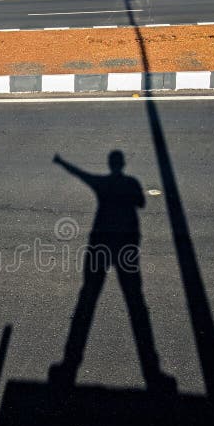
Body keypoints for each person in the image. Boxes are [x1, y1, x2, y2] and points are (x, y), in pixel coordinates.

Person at [50, 151, 176, 393]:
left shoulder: (102, 183)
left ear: (109, 164)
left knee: (88, 298)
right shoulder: (131, 183)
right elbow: (141, 203)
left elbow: (80, 174)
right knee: (134, 300)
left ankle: (70, 362)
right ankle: (152, 369)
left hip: (100, 243)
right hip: (126, 244)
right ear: (123, 164)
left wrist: (62, 161)